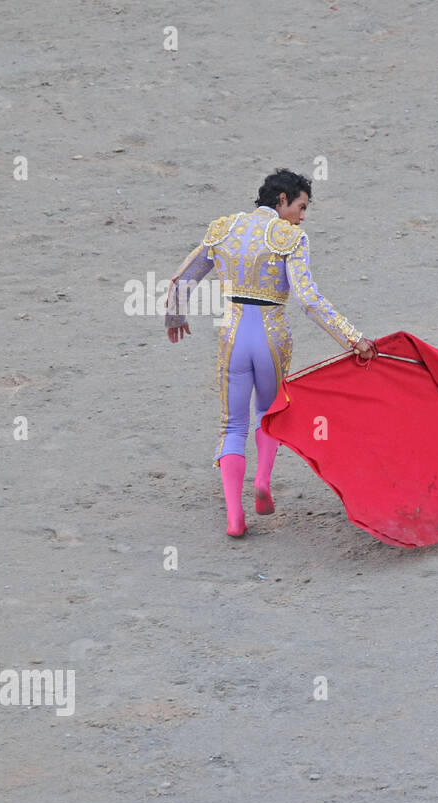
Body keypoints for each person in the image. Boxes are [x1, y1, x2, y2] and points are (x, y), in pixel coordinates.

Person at [164, 169, 375, 537]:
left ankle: (234, 517)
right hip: (272, 336)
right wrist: (352, 338)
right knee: (268, 411)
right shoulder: (290, 237)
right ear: (281, 200)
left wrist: (175, 317)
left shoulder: (223, 228)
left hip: (232, 336)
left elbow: (184, 278)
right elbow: (309, 299)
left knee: (232, 424)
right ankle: (262, 481)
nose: (303, 215)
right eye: (301, 206)